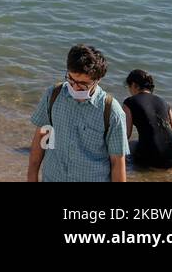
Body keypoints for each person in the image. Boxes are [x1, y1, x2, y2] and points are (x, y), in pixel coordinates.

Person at [28, 43, 127, 182]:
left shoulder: (111, 111)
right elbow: (41, 138)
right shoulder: (53, 96)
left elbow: (117, 162)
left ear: (97, 80)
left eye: (82, 84)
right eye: (71, 79)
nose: (74, 87)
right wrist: (32, 176)